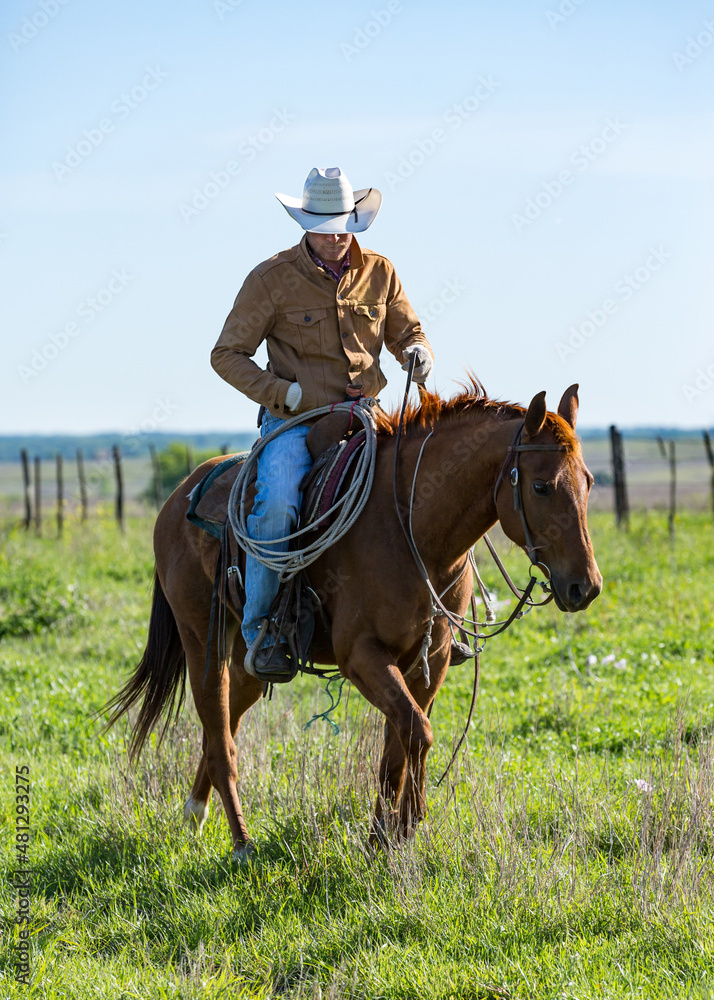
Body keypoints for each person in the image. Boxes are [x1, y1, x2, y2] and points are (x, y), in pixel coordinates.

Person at [211, 166, 433, 677]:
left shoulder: (381, 271)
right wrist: (280, 392)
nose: (336, 236)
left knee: (428, 489)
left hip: (366, 419)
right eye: (324, 225)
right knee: (277, 507)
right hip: (294, 425)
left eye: (343, 224)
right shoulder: (270, 279)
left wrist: (417, 352)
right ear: (303, 222)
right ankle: (261, 630)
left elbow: (408, 330)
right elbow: (227, 354)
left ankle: (440, 621)